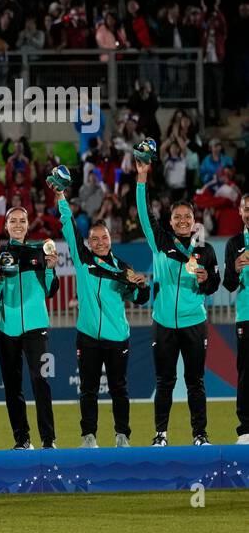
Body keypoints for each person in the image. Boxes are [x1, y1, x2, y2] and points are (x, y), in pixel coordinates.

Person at [55, 188, 151, 448]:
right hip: (87, 337)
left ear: (111, 239)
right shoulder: (82, 259)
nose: (99, 242)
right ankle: (89, 437)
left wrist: (142, 287)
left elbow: (141, 300)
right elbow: (69, 228)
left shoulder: (123, 268)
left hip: (117, 337)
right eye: (94, 238)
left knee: (119, 390)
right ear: (88, 241)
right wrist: (62, 197)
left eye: (104, 237)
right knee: (88, 390)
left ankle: (122, 435)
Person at [135, 159, 218, 446]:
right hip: (164, 324)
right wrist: (142, 177)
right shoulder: (160, 241)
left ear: (194, 221)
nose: (182, 220)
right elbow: (145, 214)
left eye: (187, 216)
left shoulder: (205, 251)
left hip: (195, 323)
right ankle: (161, 435)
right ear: (170, 221)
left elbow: (215, 286)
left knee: (196, 383)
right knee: (165, 382)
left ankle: (200, 434)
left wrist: (206, 279)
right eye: (177, 216)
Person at [0, 207, 59, 450]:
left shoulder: (40, 250)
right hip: (6, 329)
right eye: (13, 221)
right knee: (13, 387)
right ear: (6, 226)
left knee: (42, 381)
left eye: (22, 220)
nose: (18, 224)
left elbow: (51, 290)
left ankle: (49, 440)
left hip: (37, 328)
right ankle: (22, 440)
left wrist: (49, 269)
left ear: (28, 225)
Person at [222, 194, 249, 444]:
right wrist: (236, 268)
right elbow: (228, 284)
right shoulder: (234, 244)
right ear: (240, 212)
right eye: (246, 209)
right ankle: (246, 429)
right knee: (245, 372)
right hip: (246, 316)